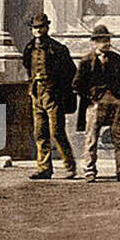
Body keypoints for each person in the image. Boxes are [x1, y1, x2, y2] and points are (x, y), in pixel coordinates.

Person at [72, 24, 120, 182]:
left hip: (116, 103)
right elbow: (77, 84)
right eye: (102, 40)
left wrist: (118, 95)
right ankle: (89, 171)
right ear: (94, 42)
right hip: (95, 105)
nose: (106, 43)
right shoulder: (86, 61)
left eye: (107, 39)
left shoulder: (116, 59)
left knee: (119, 138)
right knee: (91, 138)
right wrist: (92, 96)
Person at [23, 14, 77, 180]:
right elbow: (27, 67)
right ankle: (44, 168)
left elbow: (70, 72)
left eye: (41, 27)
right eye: (35, 28)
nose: (38, 30)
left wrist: (60, 91)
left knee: (57, 132)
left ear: (47, 28)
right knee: (40, 133)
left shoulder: (58, 49)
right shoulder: (29, 48)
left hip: (53, 95)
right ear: (32, 30)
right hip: (36, 93)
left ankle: (69, 166)